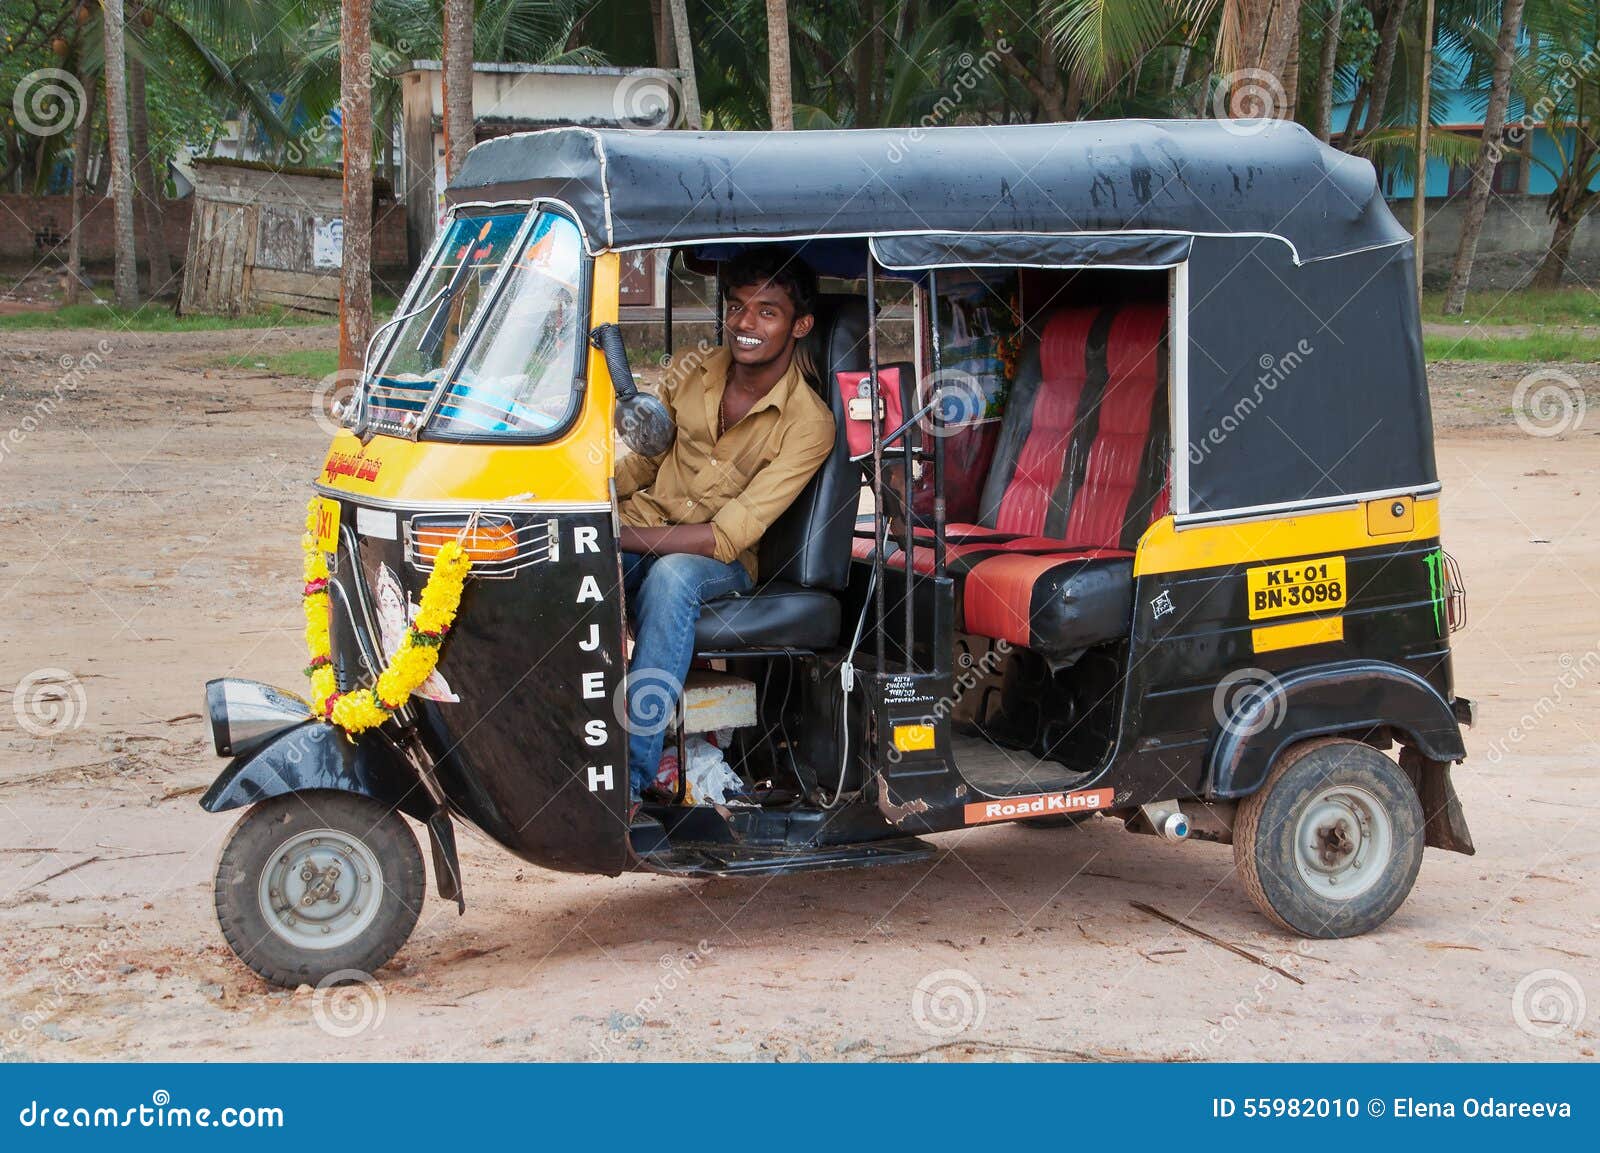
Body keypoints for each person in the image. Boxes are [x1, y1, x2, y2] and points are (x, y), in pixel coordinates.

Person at [615, 250, 835, 804]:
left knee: (671, 577)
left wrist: (611, 535)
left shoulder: (810, 423)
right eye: (737, 307)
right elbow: (638, 464)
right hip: (645, 527)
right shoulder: (691, 371)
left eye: (767, 312)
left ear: (799, 325)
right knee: (558, 559)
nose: (745, 324)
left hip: (719, 564)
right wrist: (570, 501)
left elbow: (724, 538)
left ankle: (630, 782)